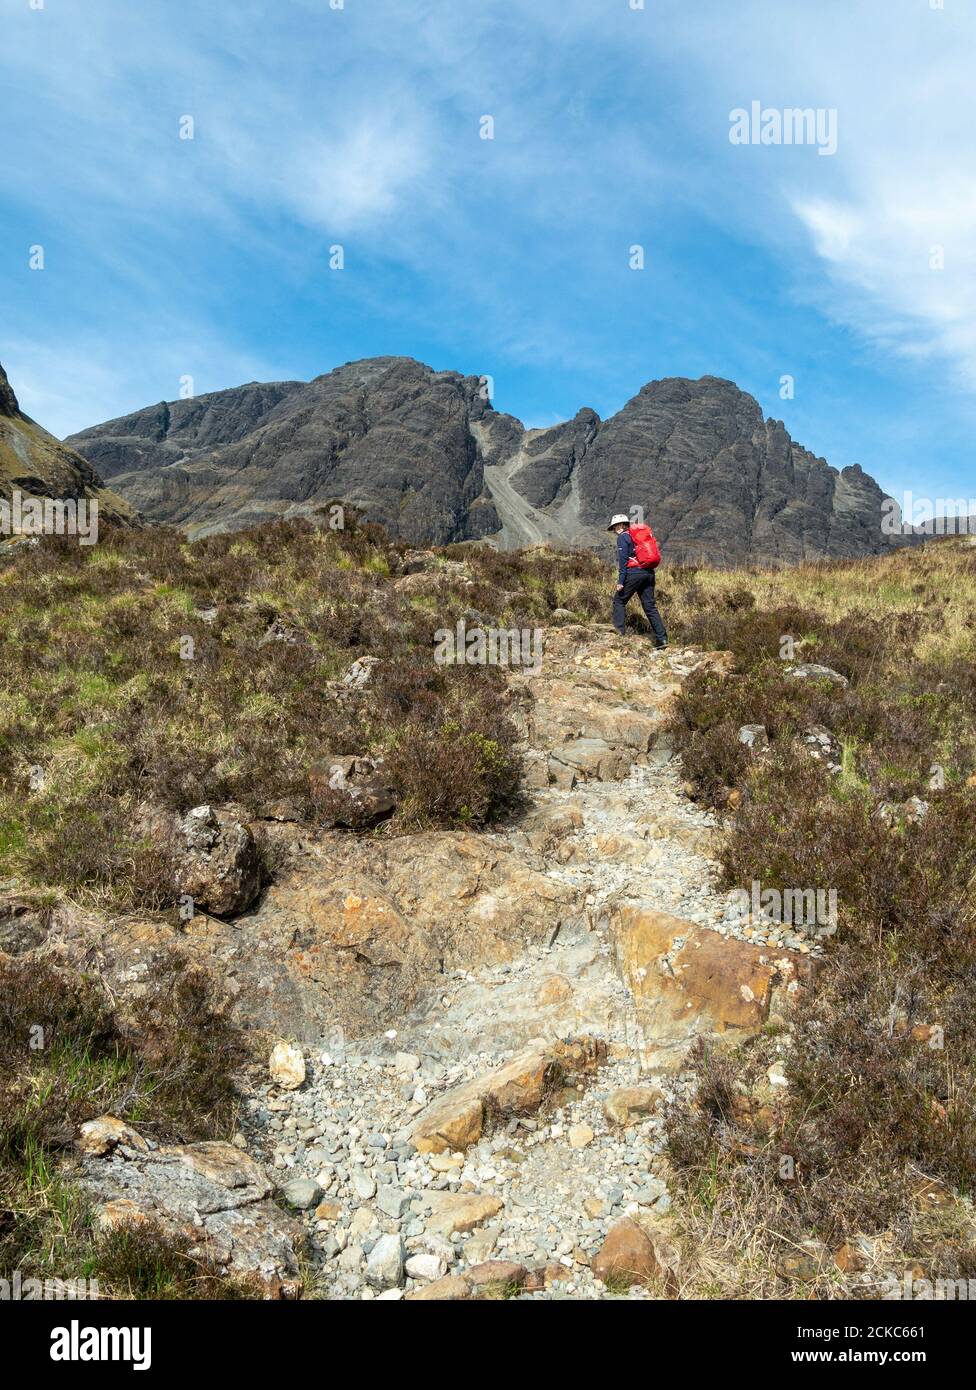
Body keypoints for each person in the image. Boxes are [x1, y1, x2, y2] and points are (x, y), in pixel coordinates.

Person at [607, 513, 667, 648]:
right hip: (649, 572)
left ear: (622, 525)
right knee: (650, 607)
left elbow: (623, 561)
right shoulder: (636, 536)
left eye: (616, 526)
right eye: (614, 527)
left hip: (634, 573)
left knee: (619, 601)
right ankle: (662, 639)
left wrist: (621, 581)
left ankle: (619, 635)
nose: (616, 529)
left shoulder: (623, 538)